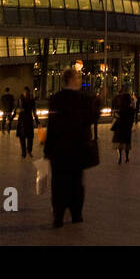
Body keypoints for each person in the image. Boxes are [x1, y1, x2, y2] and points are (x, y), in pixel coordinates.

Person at [44, 67, 94, 227]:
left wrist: (47, 149)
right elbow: (90, 119)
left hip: (59, 150)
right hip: (77, 149)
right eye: (78, 78)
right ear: (72, 80)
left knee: (58, 183)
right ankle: (76, 214)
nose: (79, 80)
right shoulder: (83, 99)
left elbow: (51, 126)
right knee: (76, 182)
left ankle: (58, 215)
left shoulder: (55, 99)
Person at [111, 87, 135, 164]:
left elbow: (116, 117)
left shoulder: (120, 108)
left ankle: (119, 158)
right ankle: (127, 157)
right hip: (127, 128)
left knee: (119, 144)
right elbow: (132, 119)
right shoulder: (131, 109)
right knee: (127, 143)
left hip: (119, 128)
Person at [16, 85, 37, 158]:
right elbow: (16, 109)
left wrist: (37, 121)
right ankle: (24, 152)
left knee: (30, 137)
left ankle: (29, 151)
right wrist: (10, 118)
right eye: (25, 92)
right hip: (22, 120)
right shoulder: (20, 99)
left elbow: (34, 111)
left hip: (28, 120)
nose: (26, 93)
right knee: (22, 138)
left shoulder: (31, 100)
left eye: (27, 92)